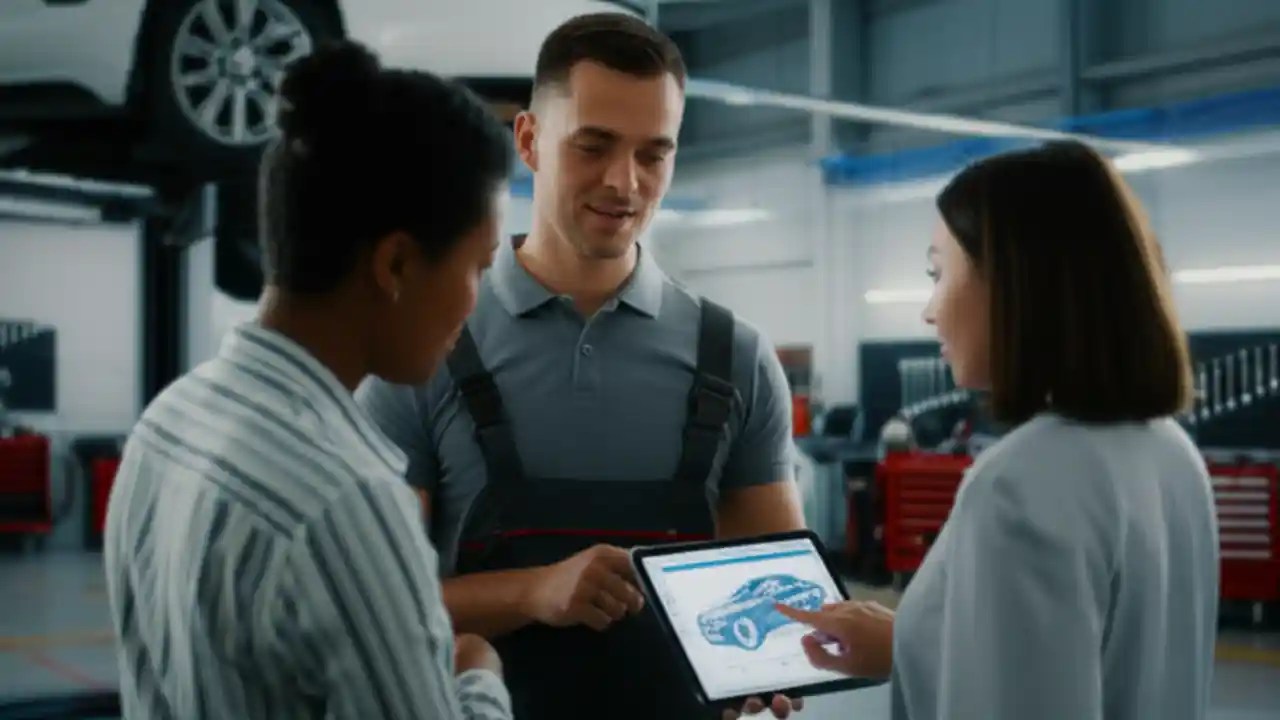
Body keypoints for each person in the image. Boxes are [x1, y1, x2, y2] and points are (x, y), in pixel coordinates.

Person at [356, 12, 806, 720]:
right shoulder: (422, 346)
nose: (624, 182)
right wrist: (533, 592)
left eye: (654, 154)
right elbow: (368, 608)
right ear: (530, 141)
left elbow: (782, 602)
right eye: (593, 146)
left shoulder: (737, 359)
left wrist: (775, 661)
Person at [103, 41, 517, 719]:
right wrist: (476, 677)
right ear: (396, 267)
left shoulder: (169, 419)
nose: (476, 303)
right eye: (477, 266)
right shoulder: (344, 501)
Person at [778, 140, 1220, 719]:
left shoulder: (1024, 480)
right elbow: (1084, 659)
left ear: (1014, 284)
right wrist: (914, 637)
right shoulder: (1169, 449)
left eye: (939, 274)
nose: (929, 310)